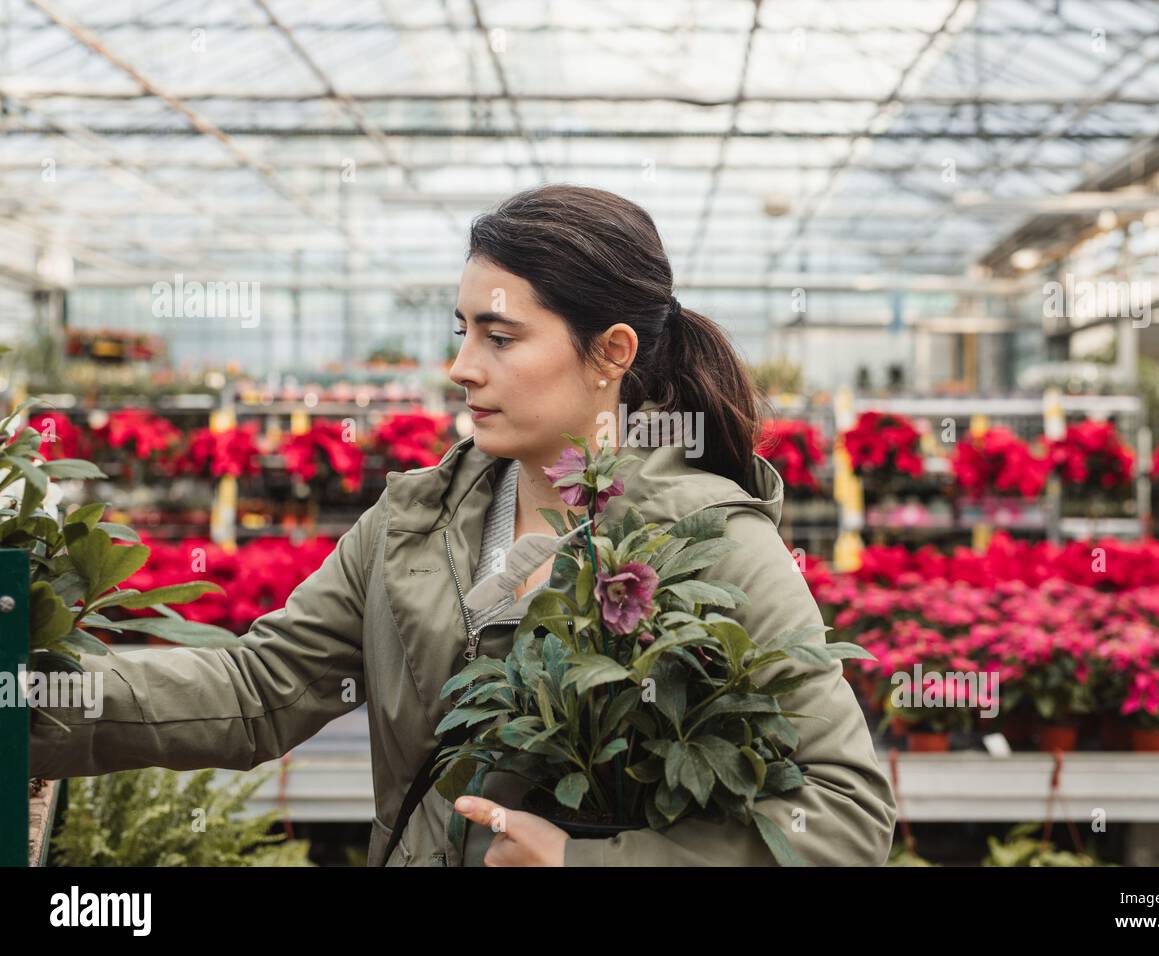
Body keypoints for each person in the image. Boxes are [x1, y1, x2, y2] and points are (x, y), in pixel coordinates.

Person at [30, 184, 897, 866]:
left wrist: (585, 862)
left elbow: (846, 814)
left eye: (500, 336)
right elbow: (261, 690)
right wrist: (26, 700)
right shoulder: (414, 520)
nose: (459, 366)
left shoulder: (710, 541)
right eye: (460, 330)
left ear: (613, 352)